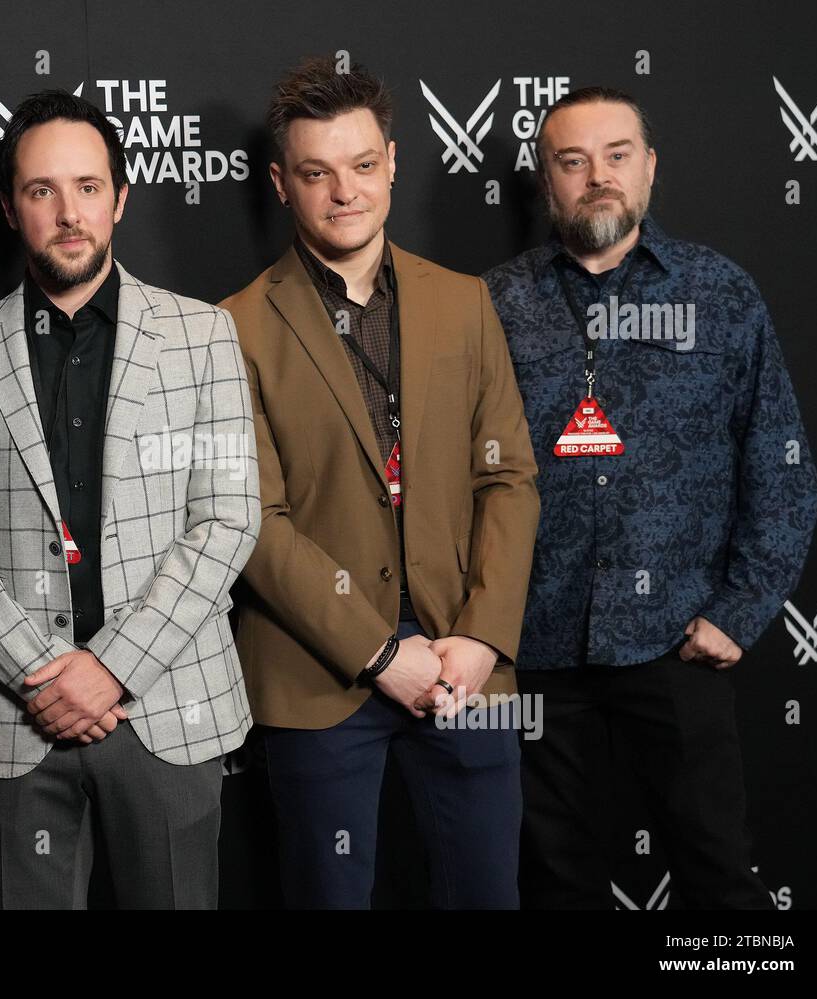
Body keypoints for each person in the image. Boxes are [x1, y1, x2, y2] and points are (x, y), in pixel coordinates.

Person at [483, 86, 817, 908]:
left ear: (650, 169)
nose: (596, 176)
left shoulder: (720, 295)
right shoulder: (492, 304)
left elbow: (784, 471)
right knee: (552, 881)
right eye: (572, 160)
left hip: (677, 642)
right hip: (535, 652)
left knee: (716, 874)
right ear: (545, 181)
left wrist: (739, 610)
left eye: (617, 155)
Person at [220, 57, 540, 909]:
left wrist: (481, 637)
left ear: (393, 163)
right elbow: (254, 518)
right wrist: (377, 651)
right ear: (281, 184)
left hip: (466, 661)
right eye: (317, 173)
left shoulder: (465, 302)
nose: (345, 192)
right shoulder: (232, 327)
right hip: (318, 672)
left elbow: (508, 477)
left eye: (363, 166)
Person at [0, 90, 260, 909]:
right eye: (43, 190)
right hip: (17, 718)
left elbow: (226, 517)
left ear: (119, 197)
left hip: (170, 706)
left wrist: (111, 668)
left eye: (86, 186)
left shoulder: (202, 334)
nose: (68, 211)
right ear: (10, 208)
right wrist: (45, 675)